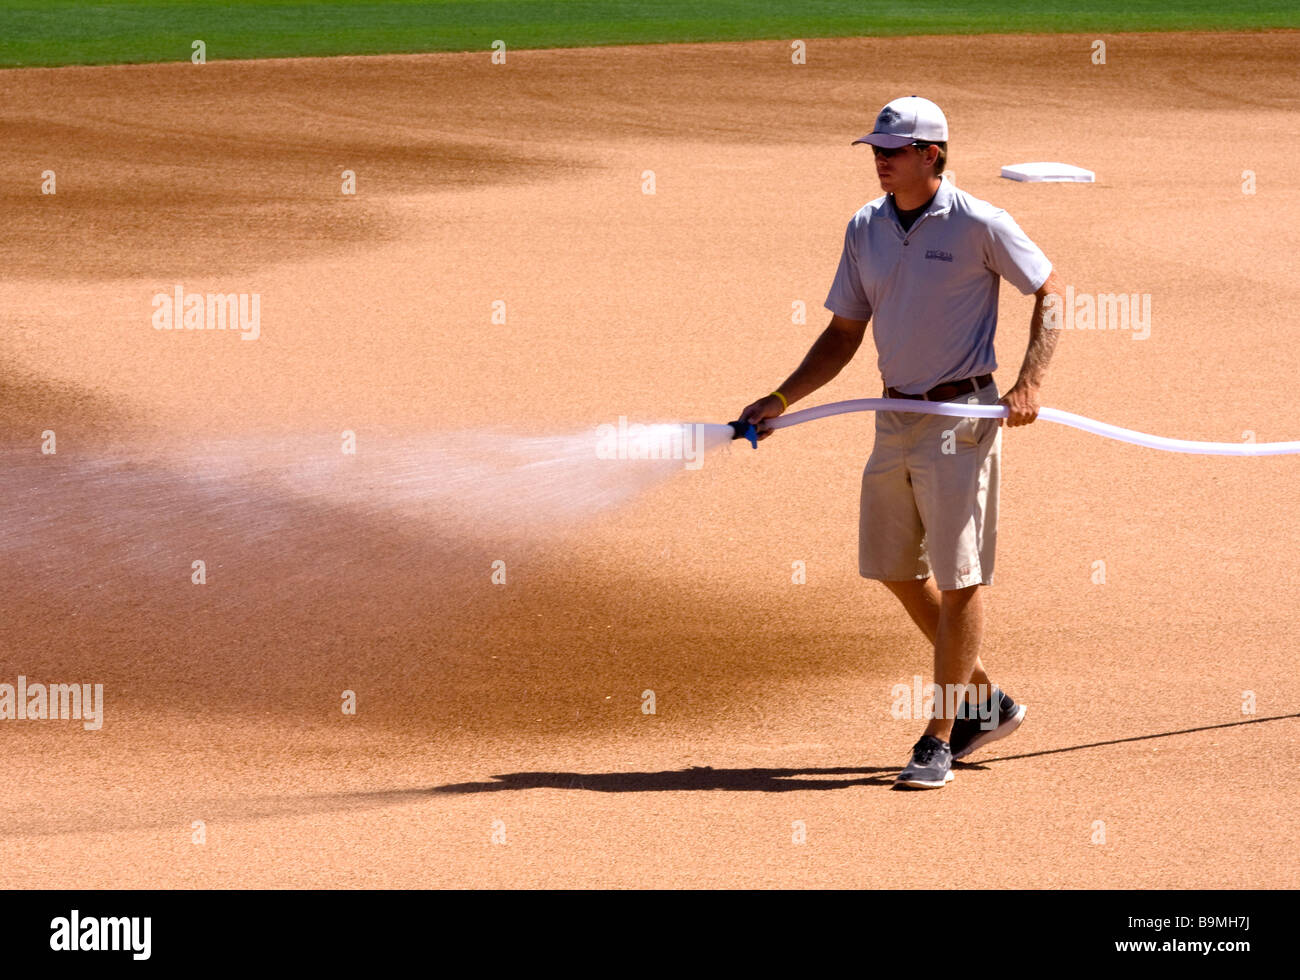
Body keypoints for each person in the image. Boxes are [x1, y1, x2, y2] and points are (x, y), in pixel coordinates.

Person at [737, 96, 1065, 789]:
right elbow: (842, 334)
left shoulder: (980, 222)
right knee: (891, 566)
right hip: (893, 414)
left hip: (962, 419)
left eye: (894, 150)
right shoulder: (865, 227)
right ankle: (986, 702)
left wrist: (1028, 384)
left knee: (959, 579)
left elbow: (1052, 290)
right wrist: (782, 397)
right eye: (876, 150)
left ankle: (939, 736)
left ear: (932, 155)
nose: (880, 160)